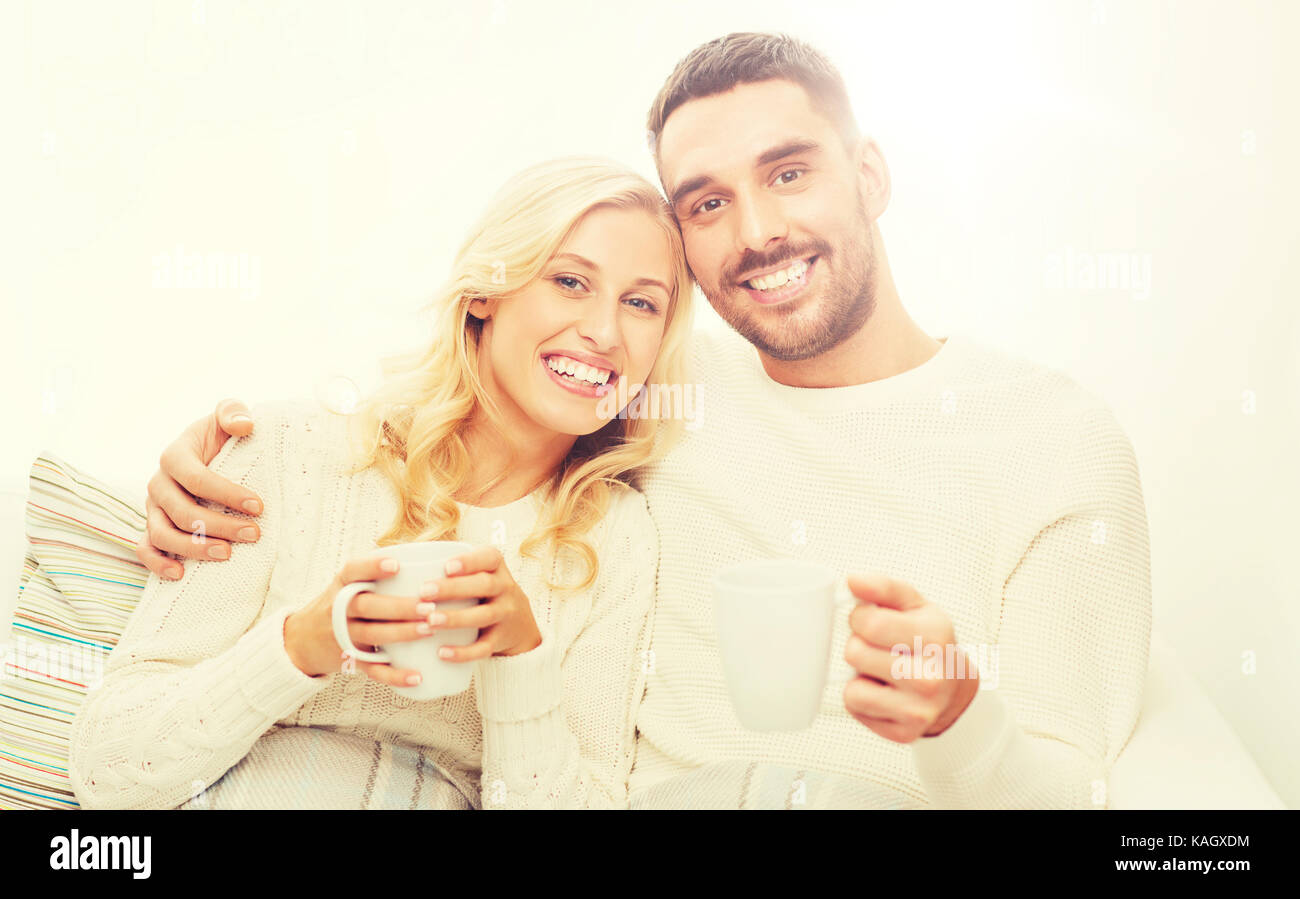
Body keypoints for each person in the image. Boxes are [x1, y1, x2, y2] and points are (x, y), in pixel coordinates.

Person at [138, 33, 1152, 809]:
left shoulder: (1051, 444)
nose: (756, 233)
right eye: (705, 204)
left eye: (788, 171)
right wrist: (215, 455)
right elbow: (451, 409)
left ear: (870, 176)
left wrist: (960, 721)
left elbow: (1078, 802)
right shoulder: (646, 391)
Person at [68, 156, 696, 809]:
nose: (603, 331)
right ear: (485, 291)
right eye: (569, 281)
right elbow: (109, 773)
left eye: (641, 303)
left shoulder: (615, 540)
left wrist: (520, 663)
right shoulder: (283, 453)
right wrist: (304, 642)